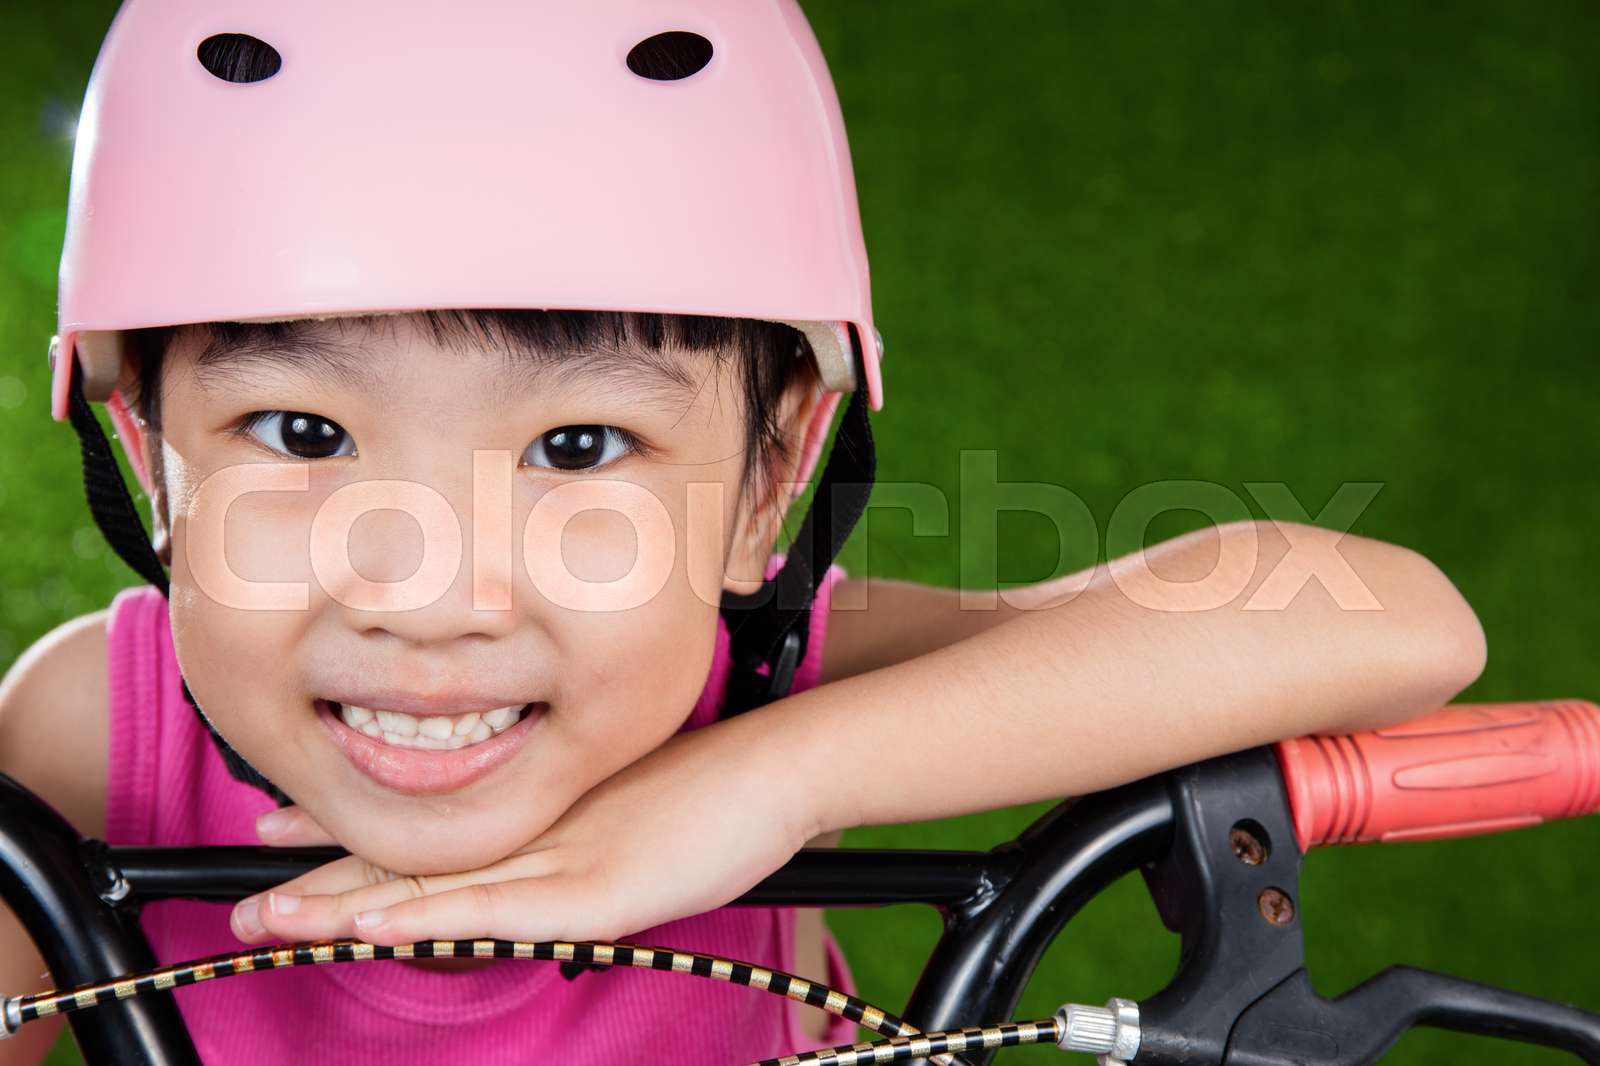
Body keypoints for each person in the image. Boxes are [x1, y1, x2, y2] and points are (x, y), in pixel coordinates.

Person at [0, 3, 1487, 1063]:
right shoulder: (84, 729)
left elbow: (1399, 620)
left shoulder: (760, 676)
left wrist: (759, 778)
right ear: (147, 452)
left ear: (769, 483)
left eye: (578, 447)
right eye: (305, 436)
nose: (435, 594)